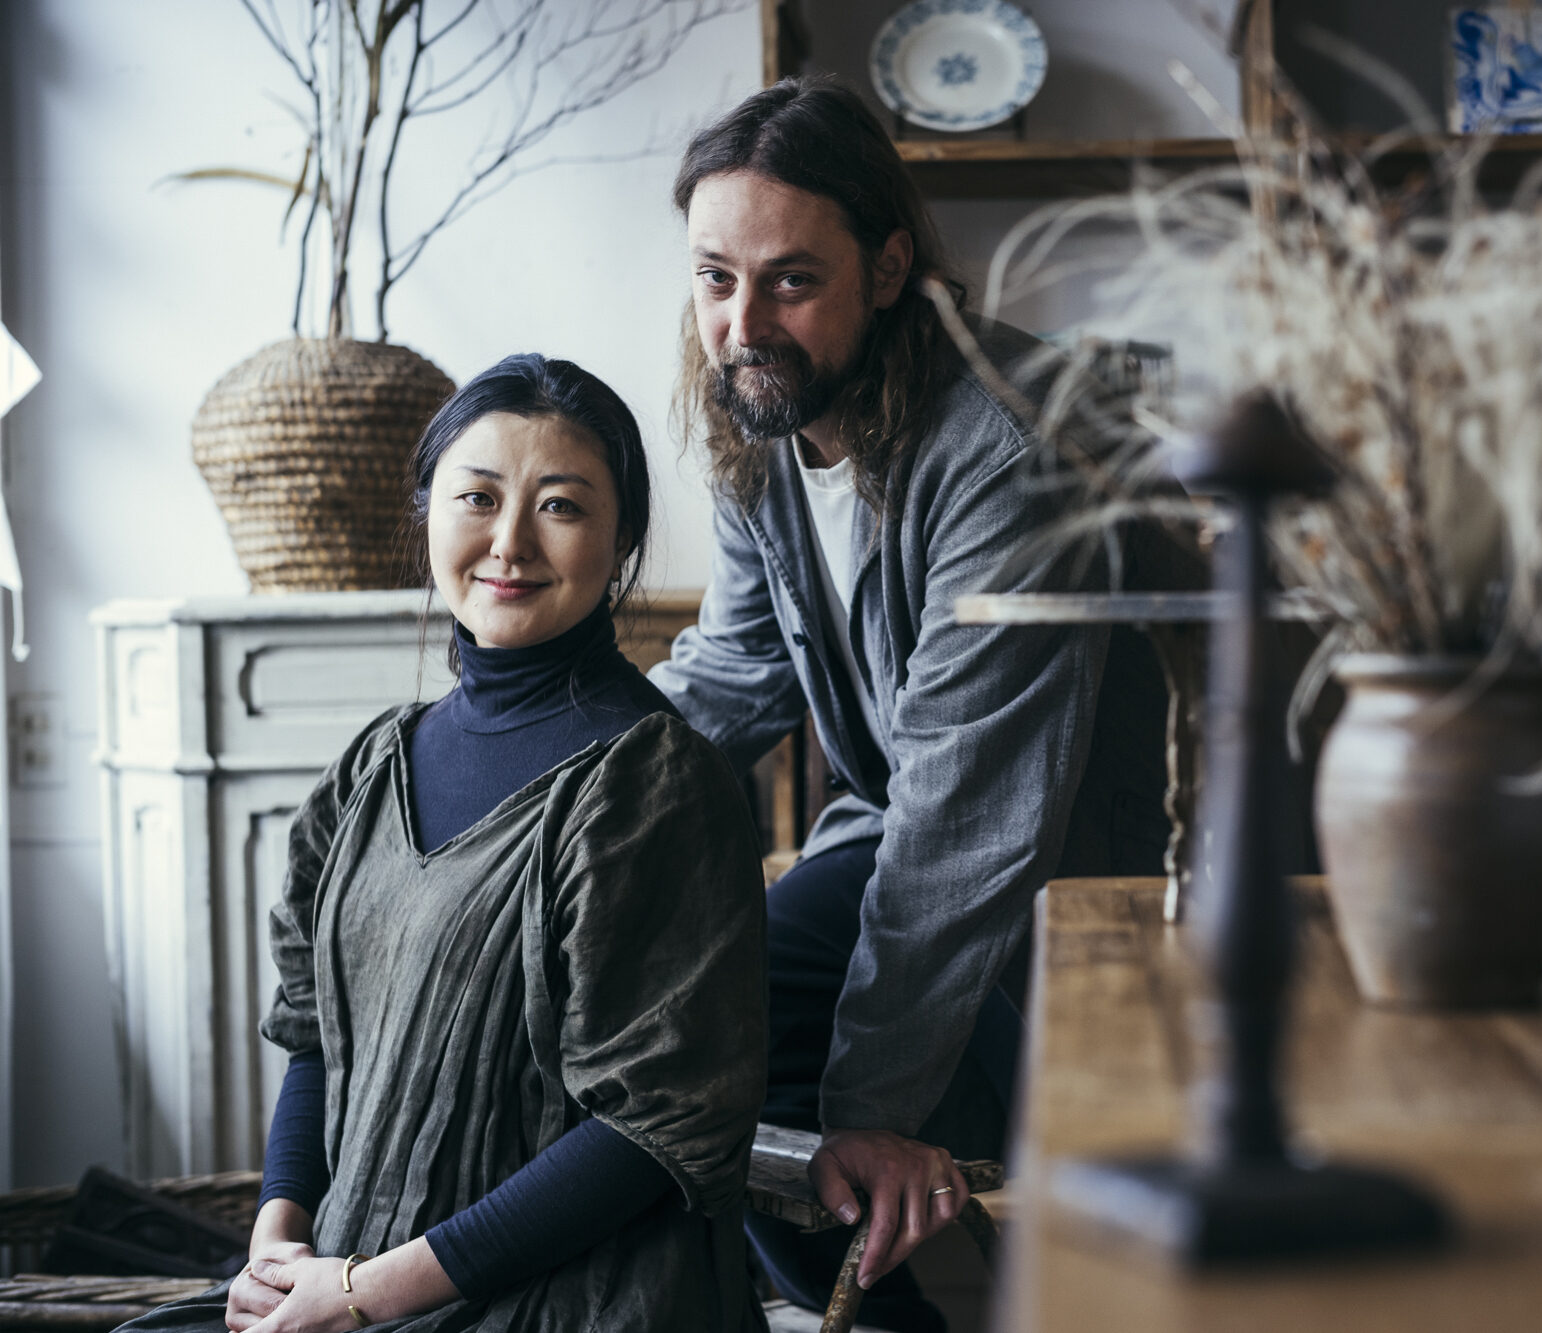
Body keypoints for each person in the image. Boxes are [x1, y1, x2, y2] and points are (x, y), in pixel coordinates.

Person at [652, 78, 1176, 1331]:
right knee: (711, 1030)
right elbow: (729, 674)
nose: (740, 323)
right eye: (714, 277)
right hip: (906, 827)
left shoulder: (1000, 443)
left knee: (818, 1069)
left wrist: (867, 1107)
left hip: (1092, 860)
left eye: (789, 279)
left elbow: (966, 821)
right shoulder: (764, 413)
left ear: (888, 268)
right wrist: (544, 796)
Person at [122, 355, 768, 1333]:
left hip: (575, 1302)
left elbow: (652, 1129)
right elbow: (313, 1036)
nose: (509, 541)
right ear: (426, 510)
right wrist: (277, 1243)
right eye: (476, 496)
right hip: (352, 1285)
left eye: (561, 505)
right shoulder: (372, 765)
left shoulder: (653, 783)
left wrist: (361, 1293)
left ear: (620, 537)